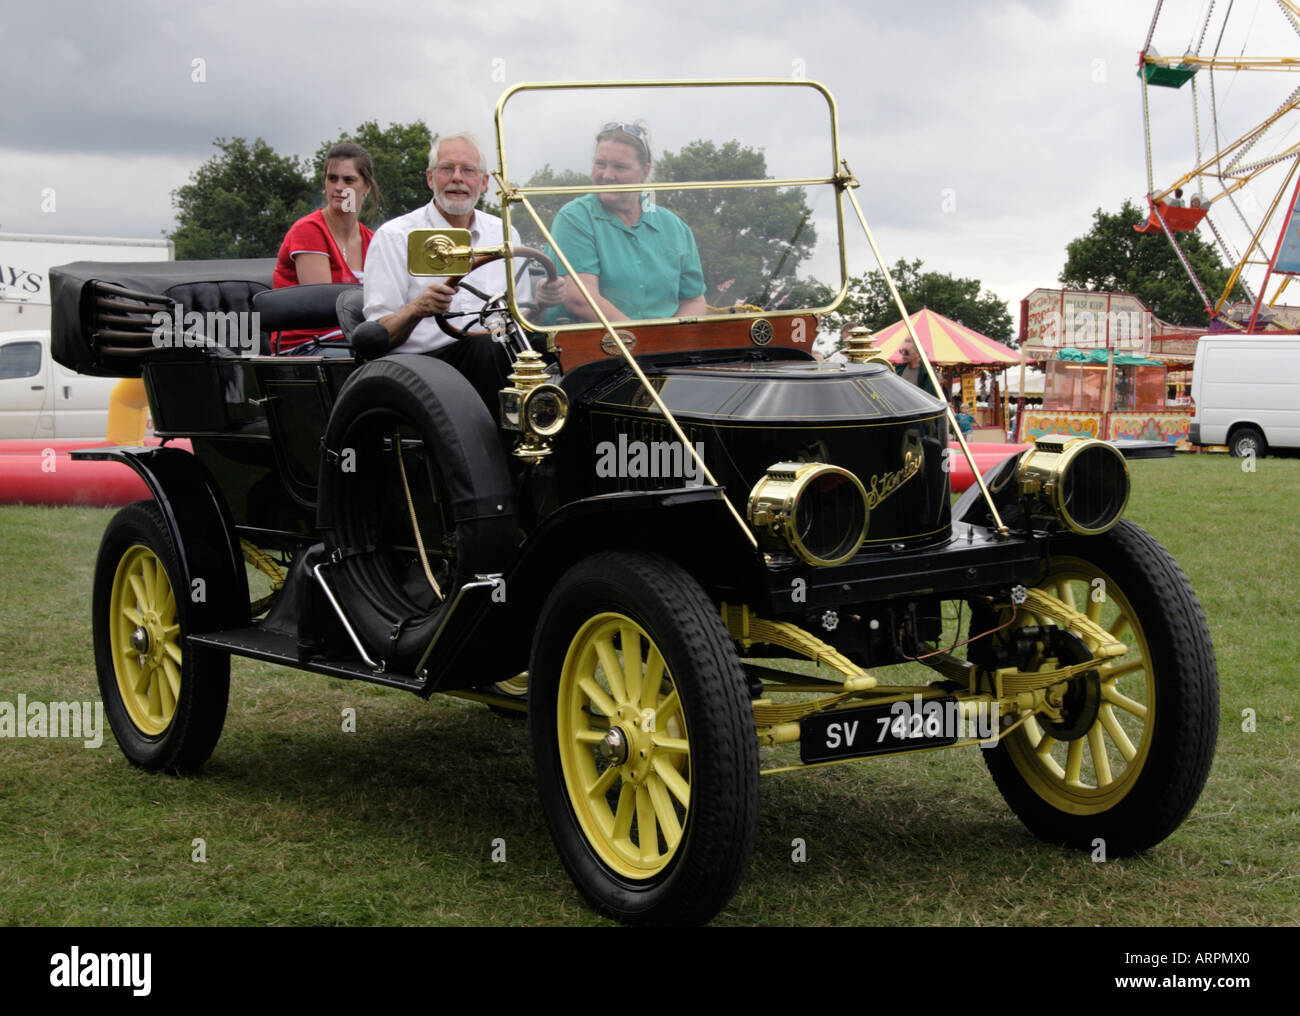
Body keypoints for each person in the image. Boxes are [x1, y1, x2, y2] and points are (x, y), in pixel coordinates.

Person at [362, 131, 564, 411]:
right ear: (430, 178)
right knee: (488, 347)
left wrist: (542, 304)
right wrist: (418, 308)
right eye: (447, 168)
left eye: (467, 170)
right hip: (422, 368)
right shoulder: (395, 236)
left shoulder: (504, 233)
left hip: (496, 354)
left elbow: (523, 321)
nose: (457, 177)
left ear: (482, 183)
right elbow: (377, 336)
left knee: (557, 349)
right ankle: (508, 445)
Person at [546, 121, 707, 323]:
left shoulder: (675, 227)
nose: (607, 175)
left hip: (662, 349)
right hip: (591, 347)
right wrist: (641, 343)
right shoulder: (574, 218)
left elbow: (694, 300)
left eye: (620, 167)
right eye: (600, 164)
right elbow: (580, 300)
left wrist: (673, 340)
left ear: (645, 171)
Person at [272, 140, 378, 351]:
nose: (339, 187)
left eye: (348, 180)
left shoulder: (371, 239)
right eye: (332, 179)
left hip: (353, 340)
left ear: (366, 187)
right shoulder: (309, 230)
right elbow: (324, 308)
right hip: (307, 345)